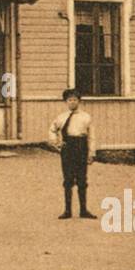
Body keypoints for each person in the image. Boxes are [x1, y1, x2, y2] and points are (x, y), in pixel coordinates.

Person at [48, 88, 96, 220]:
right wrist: (57, 143)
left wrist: (91, 153)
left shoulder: (86, 117)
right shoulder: (61, 117)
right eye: (69, 100)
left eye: (75, 99)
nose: (72, 102)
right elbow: (52, 130)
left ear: (79, 101)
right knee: (68, 179)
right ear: (66, 102)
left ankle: (84, 210)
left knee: (82, 179)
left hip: (81, 147)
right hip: (68, 148)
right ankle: (67, 211)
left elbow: (91, 136)